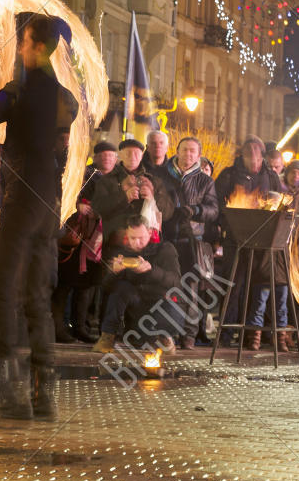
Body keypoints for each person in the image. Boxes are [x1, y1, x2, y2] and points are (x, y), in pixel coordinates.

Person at [0, 13, 79, 422]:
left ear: (38, 47)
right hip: (48, 206)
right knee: (36, 297)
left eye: (25, 40)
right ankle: (43, 396)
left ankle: (9, 392)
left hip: (21, 201)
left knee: (0, 290)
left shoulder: (17, 91)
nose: (19, 47)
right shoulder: (68, 99)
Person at [93, 217, 184, 353]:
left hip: (161, 304)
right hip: (136, 309)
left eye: (141, 237)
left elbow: (176, 281)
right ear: (126, 235)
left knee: (166, 319)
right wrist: (114, 272)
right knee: (121, 287)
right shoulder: (121, 253)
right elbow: (106, 288)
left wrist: (151, 270)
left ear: (149, 232)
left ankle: (164, 336)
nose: (136, 242)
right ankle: (107, 336)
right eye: (132, 238)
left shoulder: (165, 249)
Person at [166, 135, 219, 348]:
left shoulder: (205, 181)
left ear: (198, 155)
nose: (188, 154)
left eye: (193, 151)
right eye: (185, 149)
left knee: (190, 291)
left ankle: (188, 335)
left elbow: (214, 210)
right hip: (167, 237)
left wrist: (197, 210)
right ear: (177, 151)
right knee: (168, 288)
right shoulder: (164, 174)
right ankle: (168, 331)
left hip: (192, 241)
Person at [53, 191, 103, 343]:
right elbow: (59, 195)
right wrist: (76, 206)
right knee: (63, 287)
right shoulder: (80, 175)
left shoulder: (114, 180)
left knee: (84, 288)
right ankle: (58, 329)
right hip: (73, 237)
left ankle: (80, 328)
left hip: (92, 242)